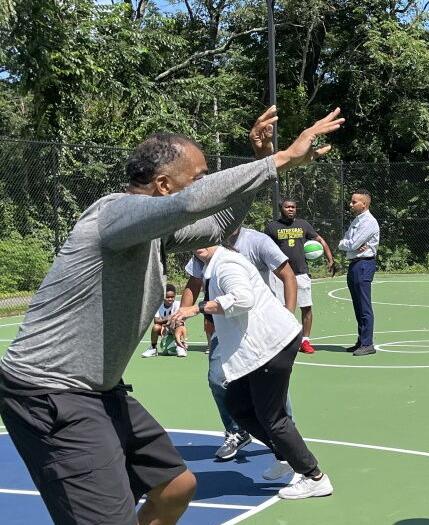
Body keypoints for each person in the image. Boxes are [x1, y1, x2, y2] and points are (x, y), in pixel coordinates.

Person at [0, 105, 345, 524]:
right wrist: (282, 159)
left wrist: (260, 164)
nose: (203, 183)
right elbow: (193, 204)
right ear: (164, 185)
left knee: (176, 486)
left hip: (98, 390)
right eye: (197, 176)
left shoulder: (153, 232)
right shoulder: (113, 215)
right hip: (48, 391)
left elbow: (219, 225)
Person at [168, 244, 333, 499]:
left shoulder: (226, 265)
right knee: (238, 403)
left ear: (218, 239)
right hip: (262, 347)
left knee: (272, 417)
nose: (199, 247)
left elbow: (243, 299)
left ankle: (314, 476)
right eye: (194, 243)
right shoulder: (211, 264)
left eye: (205, 241)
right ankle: (285, 456)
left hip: (271, 346)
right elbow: (196, 285)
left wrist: (196, 309)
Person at [177, 226, 298, 460]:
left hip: (256, 326)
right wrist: (181, 318)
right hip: (223, 327)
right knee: (217, 379)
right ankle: (237, 431)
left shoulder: (256, 242)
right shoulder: (202, 247)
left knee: (270, 385)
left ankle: (287, 434)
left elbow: (287, 274)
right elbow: (193, 284)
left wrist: (288, 312)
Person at [265, 198, 336, 354]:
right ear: (281, 208)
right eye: (287, 207)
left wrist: (330, 259)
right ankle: (284, 341)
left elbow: (320, 240)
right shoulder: (272, 227)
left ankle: (305, 341)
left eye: (293, 207)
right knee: (282, 310)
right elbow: (264, 249)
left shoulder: (303, 225)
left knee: (306, 307)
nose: (291, 209)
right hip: (280, 276)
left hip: (301, 273)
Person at [337, 189, 380, 356]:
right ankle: (361, 341)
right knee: (357, 305)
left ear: (364, 204)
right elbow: (346, 243)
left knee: (364, 305)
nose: (351, 204)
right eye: (351, 201)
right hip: (355, 263)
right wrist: (349, 245)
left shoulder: (369, 222)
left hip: (364, 264)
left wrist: (350, 245)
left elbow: (352, 244)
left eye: (354, 202)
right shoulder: (357, 220)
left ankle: (368, 344)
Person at [142, 284, 187, 358]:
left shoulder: (178, 304)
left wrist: (165, 322)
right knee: (155, 327)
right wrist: (169, 318)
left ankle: (180, 347)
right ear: (162, 297)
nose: (170, 299)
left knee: (179, 323)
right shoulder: (158, 305)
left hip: (174, 327)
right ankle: (153, 348)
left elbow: (178, 319)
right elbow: (156, 321)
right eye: (167, 297)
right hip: (163, 328)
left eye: (172, 297)